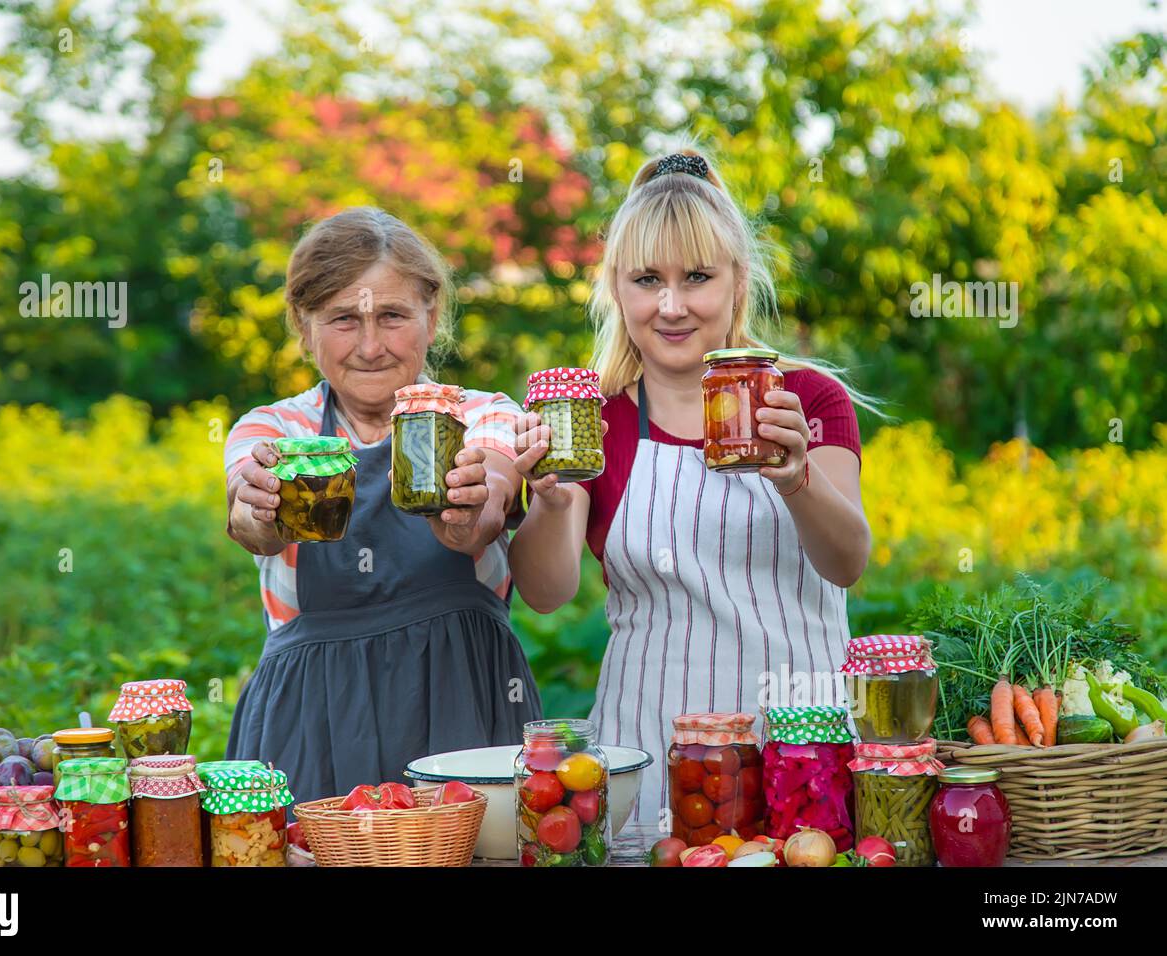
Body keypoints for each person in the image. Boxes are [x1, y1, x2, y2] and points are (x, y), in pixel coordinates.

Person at [507, 148, 878, 828]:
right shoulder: (599, 420)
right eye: (647, 279)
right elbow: (547, 591)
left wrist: (797, 481)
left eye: (697, 277)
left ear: (739, 281)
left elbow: (846, 560)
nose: (671, 306)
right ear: (617, 288)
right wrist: (553, 501)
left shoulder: (807, 399)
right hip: (646, 754)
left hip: (798, 751)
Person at [222, 206, 541, 802]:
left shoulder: (483, 415)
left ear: (432, 314)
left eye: (392, 316)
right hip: (308, 719)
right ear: (304, 324)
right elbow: (250, 522)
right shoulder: (272, 429)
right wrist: (256, 508)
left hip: (463, 704)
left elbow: (488, 504)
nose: (370, 346)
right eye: (343, 318)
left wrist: (473, 508)